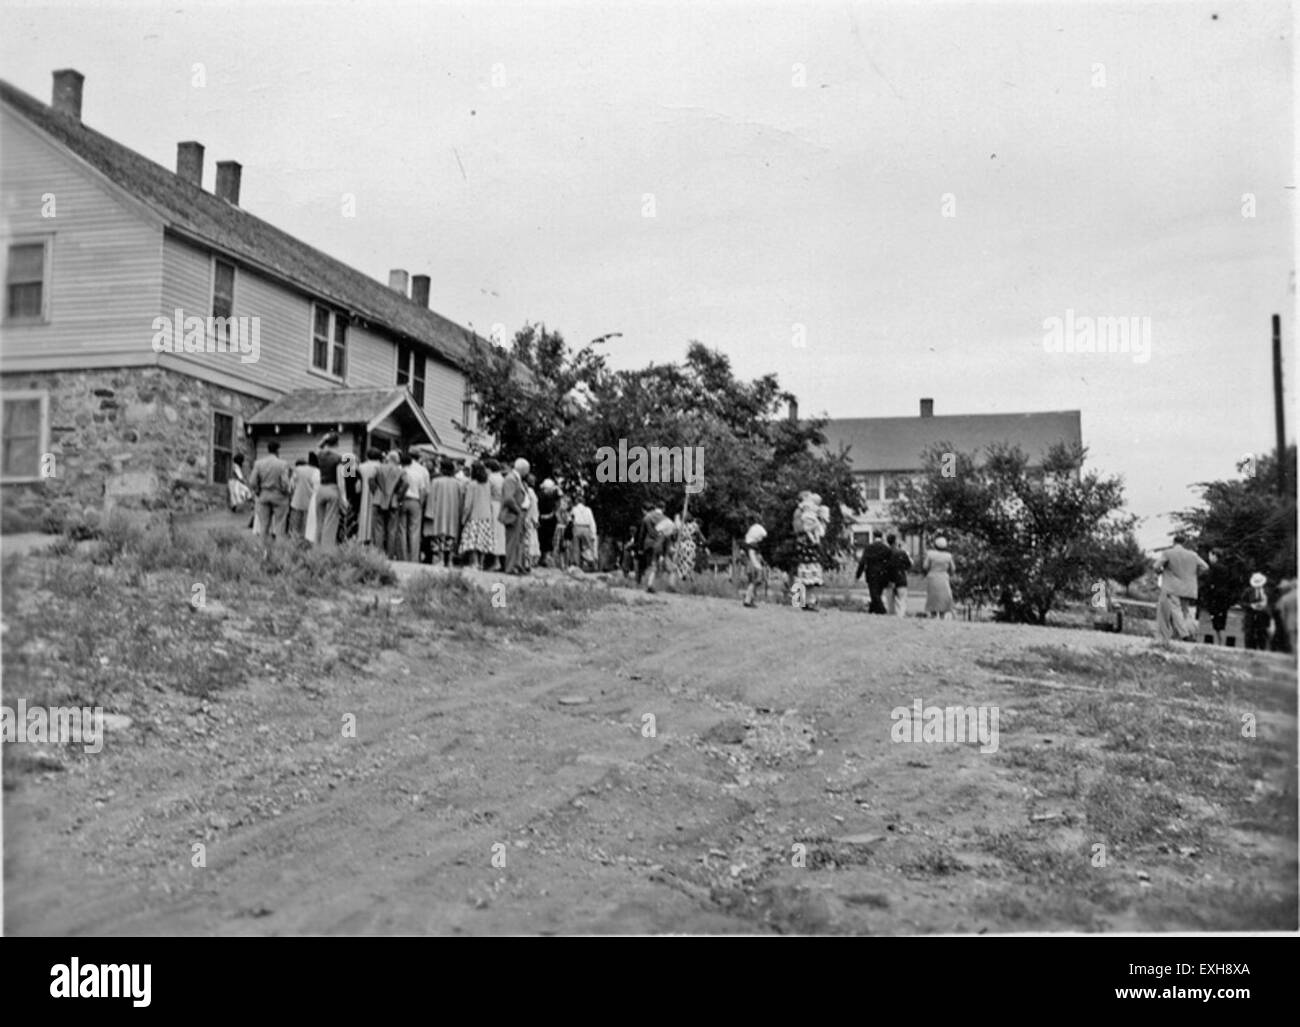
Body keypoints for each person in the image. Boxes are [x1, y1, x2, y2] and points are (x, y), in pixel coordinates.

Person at [1153, 535, 1209, 642]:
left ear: (1174, 542)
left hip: (1172, 587)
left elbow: (1156, 566)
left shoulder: (1168, 553)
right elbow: (1205, 567)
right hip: (1188, 588)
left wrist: (1160, 572)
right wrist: (1195, 574)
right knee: (1185, 612)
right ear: (1184, 543)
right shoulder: (1192, 555)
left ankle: (1185, 635)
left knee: (1176, 611)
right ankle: (1192, 633)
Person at [248, 441, 293, 545]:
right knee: (280, 527)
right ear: (277, 451)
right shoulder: (282, 464)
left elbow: (252, 481)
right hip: (279, 497)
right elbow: (285, 483)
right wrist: (286, 493)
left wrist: (258, 491)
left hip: (264, 495)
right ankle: (278, 552)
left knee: (263, 526)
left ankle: (262, 550)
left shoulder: (259, 463)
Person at [422, 457, 463, 567]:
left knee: (438, 535)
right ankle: (449, 560)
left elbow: (431, 498)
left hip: (439, 512)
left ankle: (439, 559)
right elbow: (461, 500)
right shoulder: (458, 484)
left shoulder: (436, 482)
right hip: (453, 513)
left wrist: (429, 513)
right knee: (451, 535)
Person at [792, 492, 828, 611]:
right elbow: (799, 529)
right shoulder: (799, 512)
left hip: (810, 546)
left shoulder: (811, 511)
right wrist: (813, 526)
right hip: (805, 545)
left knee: (810, 575)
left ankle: (808, 601)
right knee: (803, 574)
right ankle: (799, 601)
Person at [314, 433, 349, 551]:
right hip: (333, 489)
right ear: (337, 444)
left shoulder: (320, 455)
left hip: (321, 489)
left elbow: (318, 446)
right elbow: (341, 480)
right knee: (330, 522)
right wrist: (343, 497)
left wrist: (324, 438)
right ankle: (327, 551)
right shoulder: (339, 458)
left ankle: (316, 550)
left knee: (319, 522)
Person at [371, 451, 407, 557]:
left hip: (378, 500)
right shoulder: (401, 471)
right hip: (394, 501)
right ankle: (390, 555)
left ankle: (378, 554)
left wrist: (376, 492)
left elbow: (371, 480)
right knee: (392, 530)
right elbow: (405, 484)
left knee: (378, 528)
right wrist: (399, 496)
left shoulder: (378, 468)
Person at [459, 460, 494, 570]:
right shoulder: (488, 484)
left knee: (472, 542)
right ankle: (481, 564)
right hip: (486, 515)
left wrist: (464, 517)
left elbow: (468, 504)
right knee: (483, 541)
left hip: (474, 515)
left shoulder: (472, 485)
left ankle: (474, 563)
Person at [395, 450, 427, 562]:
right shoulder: (418, 474)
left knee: (401, 529)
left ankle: (402, 557)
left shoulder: (400, 472)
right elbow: (422, 491)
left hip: (402, 501)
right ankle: (413, 558)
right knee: (414, 531)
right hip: (415, 501)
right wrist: (420, 503)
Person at [500, 458, 530, 574]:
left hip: (519, 514)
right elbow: (508, 498)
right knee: (512, 541)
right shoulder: (511, 479)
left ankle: (517, 565)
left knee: (519, 541)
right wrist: (518, 510)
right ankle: (510, 567)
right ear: (523, 469)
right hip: (514, 514)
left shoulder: (517, 479)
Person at [1199, 549, 1236, 645]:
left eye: (1210, 555)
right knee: (1222, 621)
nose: (1209, 558)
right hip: (1225, 597)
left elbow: (1208, 582)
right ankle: (1221, 641)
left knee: (1214, 621)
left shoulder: (1214, 568)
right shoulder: (1226, 568)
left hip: (1215, 597)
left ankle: (1218, 641)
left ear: (1215, 556)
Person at [855, 531, 894, 614]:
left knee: (874, 594)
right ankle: (872, 610)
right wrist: (891, 577)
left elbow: (863, 562)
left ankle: (882, 611)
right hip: (883, 574)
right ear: (882, 537)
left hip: (871, 574)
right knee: (877, 593)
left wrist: (858, 575)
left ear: (873, 537)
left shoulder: (869, 548)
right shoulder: (886, 549)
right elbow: (890, 564)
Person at [923, 536, 956, 619]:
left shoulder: (930, 554)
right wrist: (949, 574)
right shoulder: (948, 556)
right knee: (943, 597)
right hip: (943, 577)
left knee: (932, 597)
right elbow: (953, 569)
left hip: (932, 577)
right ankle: (942, 616)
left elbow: (925, 566)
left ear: (935, 545)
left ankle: (933, 615)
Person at [355, 448, 382, 546]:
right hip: (377, 494)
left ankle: (362, 537)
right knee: (375, 518)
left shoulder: (361, 466)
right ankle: (373, 539)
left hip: (363, 494)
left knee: (363, 515)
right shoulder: (380, 466)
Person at [1242, 572, 1272, 650]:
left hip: (1263, 617)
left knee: (1262, 636)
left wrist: (1264, 606)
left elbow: (1271, 604)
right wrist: (1251, 606)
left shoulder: (1266, 591)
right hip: (1250, 617)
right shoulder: (1248, 591)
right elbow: (1242, 602)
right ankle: (1249, 650)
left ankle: (1262, 651)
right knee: (1249, 636)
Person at [486, 459, 507, 572]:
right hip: (501, 506)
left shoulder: (490, 478)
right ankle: (500, 560)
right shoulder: (503, 479)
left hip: (493, 504)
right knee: (500, 534)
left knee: (493, 532)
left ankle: (495, 561)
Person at [288, 456, 315, 540]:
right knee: (306, 525)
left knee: (295, 524)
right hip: (309, 501)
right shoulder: (314, 470)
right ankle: (305, 541)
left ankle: (294, 540)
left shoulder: (297, 470)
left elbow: (291, 486)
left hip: (297, 501)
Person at [740, 522, 767, 607]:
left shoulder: (746, 544)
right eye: (760, 537)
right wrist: (757, 565)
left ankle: (750, 598)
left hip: (750, 565)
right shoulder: (753, 545)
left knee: (752, 583)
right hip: (754, 566)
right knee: (754, 582)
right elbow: (752, 555)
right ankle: (748, 600)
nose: (761, 539)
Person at [885, 534, 911, 617]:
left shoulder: (885, 553)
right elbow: (908, 565)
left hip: (889, 580)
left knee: (890, 603)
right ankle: (901, 617)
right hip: (901, 578)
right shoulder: (902, 553)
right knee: (902, 600)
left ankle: (891, 618)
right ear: (895, 541)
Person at [570, 495, 598, 571]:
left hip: (577, 528)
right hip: (586, 528)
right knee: (588, 547)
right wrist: (593, 533)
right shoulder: (588, 509)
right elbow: (592, 522)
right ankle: (591, 562)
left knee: (576, 547)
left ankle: (577, 565)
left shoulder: (574, 509)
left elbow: (571, 519)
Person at [537, 479, 559, 567]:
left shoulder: (542, 495)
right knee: (544, 539)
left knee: (545, 539)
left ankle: (544, 558)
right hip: (546, 519)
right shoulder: (548, 497)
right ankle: (544, 558)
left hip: (545, 520)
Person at [673, 513, 700, 582]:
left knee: (681, 561)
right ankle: (689, 576)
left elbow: (675, 535)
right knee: (690, 561)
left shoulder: (680, 526)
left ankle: (683, 576)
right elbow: (698, 535)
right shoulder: (694, 525)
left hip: (682, 545)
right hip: (691, 545)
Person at [524, 473, 541, 569]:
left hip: (529, 518)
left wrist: (534, 519)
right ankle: (531, 560)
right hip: (532, 518)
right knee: (532, 539)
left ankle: (529, 561)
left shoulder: (529, 492)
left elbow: (532, 507)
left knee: (529, 539)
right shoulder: (532, 492)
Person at [1277, 578, 1298, 655]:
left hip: (1291, 622)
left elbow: (1282, 614)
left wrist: (1284, 624)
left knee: (1294, 642)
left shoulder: (1285, 598)